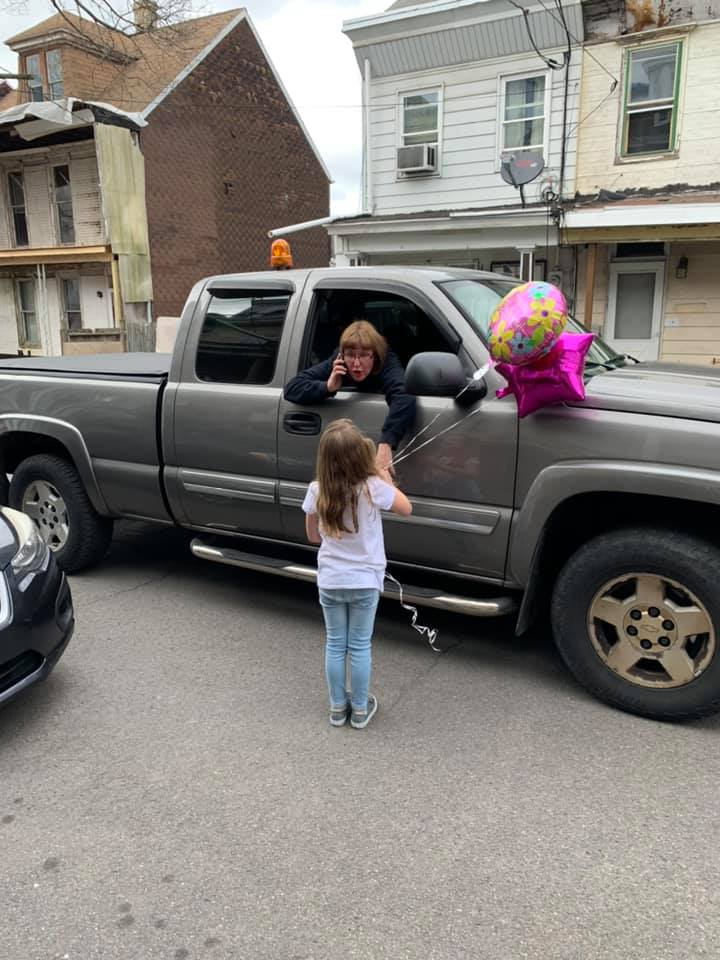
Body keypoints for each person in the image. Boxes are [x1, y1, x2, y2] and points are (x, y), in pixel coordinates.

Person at [302, 419, 412, 729]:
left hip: (331, 580)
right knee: (360, 645)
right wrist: (382, 477)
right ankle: (360, 710)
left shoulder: (316, 489)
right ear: (360, 456)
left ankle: (338, 708)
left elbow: (313, 537)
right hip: (365, 581)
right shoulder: (372, 487)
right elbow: (407, 508)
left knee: (336, 644)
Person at [284, 320, 416, 474]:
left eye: (364, 356)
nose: (356, 364)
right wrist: (327, 387)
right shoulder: (339, 363)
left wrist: (386, 443)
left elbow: (404, 395)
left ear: (375, 355)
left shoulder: (386, 360)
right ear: (342, 355)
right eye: (351, 355)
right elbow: (292, 388)